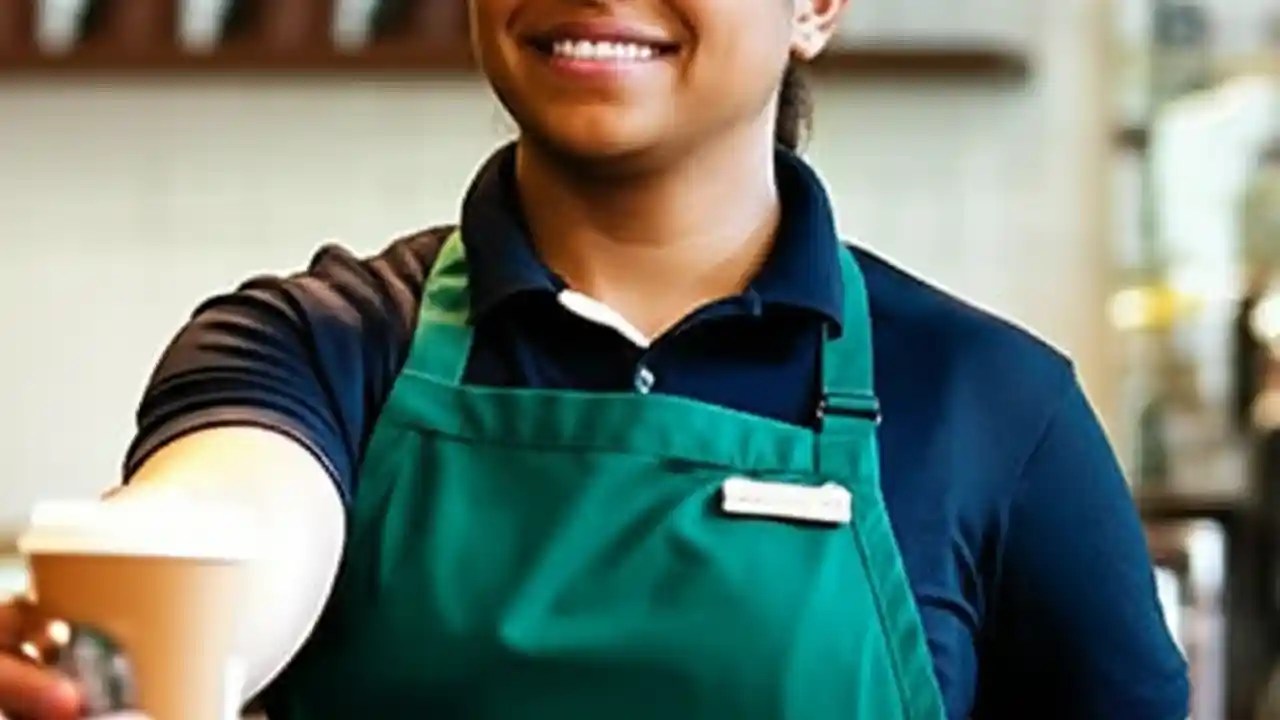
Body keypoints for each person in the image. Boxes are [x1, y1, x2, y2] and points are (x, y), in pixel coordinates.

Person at [0, 0, 1190, 718]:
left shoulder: (996, 411)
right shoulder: (318, 349)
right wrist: (135, 649)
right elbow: (229, 526)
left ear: (816, 3)